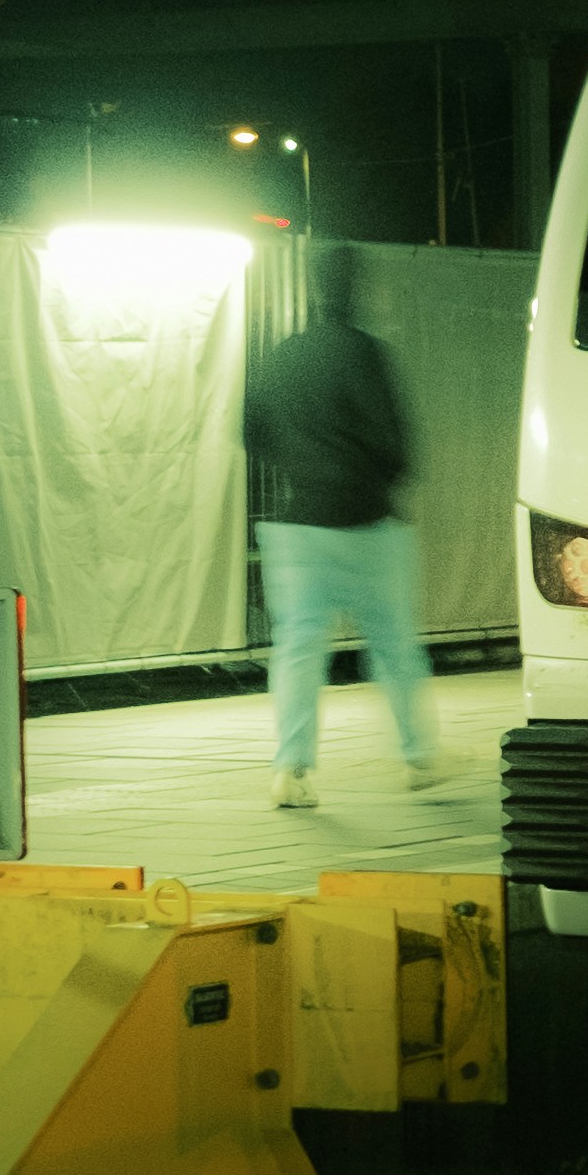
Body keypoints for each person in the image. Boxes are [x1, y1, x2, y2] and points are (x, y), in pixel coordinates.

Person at [243, 248, 445, 806]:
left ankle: (291, 770)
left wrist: (299, 468)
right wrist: (380, 477)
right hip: (365, 521)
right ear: (356, 290)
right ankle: (419, 757)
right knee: (393, 643)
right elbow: (397, 444)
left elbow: (251, 430)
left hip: (295, 523)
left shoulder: (281, 356)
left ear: (312, 290)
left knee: (300, 646)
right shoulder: (366, 353)